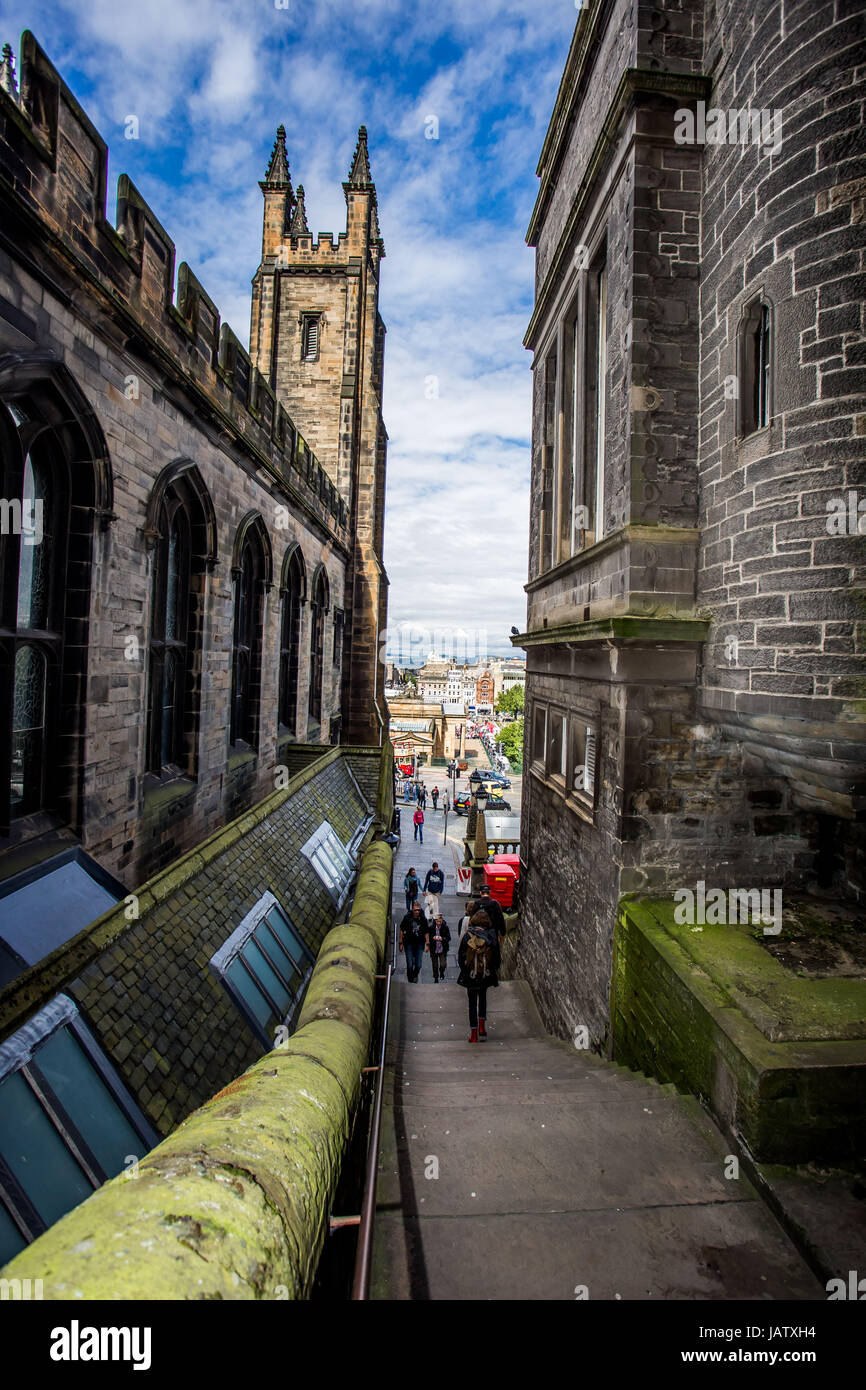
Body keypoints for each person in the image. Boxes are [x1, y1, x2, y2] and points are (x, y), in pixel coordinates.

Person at [457, 908, 500, 1042]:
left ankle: (473, 1034)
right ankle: (482, 1027)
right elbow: (496, 956)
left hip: (471, 974)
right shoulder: (491, 936)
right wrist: (493, 969)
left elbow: (461, 956)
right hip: (485, 974)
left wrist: (465, 970)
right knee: (482, 998)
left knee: (471, 1003)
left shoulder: (468, 936)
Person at [399, 902, 427, 983]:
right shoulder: (407, 918)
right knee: (410, 964)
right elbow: (402, 929)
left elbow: (426, 931)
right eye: (415, 910)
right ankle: (410, 977)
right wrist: (400, 943)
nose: (417, 912)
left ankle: (415, 975)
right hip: (409, 943)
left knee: (418, 965)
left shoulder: (423, 918)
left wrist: (427, 944)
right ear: (412, 909)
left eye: (418, 910)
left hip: (419, 944)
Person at [426, 913, 451, 983]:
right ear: (435, 921)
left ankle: (442, 972)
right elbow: (428, 937)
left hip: (442, 949)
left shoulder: (445, 927)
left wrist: (442, 938)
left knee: (443, 964)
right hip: (434, 949)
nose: (439, 923)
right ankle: (436, 977)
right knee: (435, 965)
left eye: (440, 921)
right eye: (437, 921)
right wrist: (432, 938)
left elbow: (449, 938)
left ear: (442, 920)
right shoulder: (431, 928)